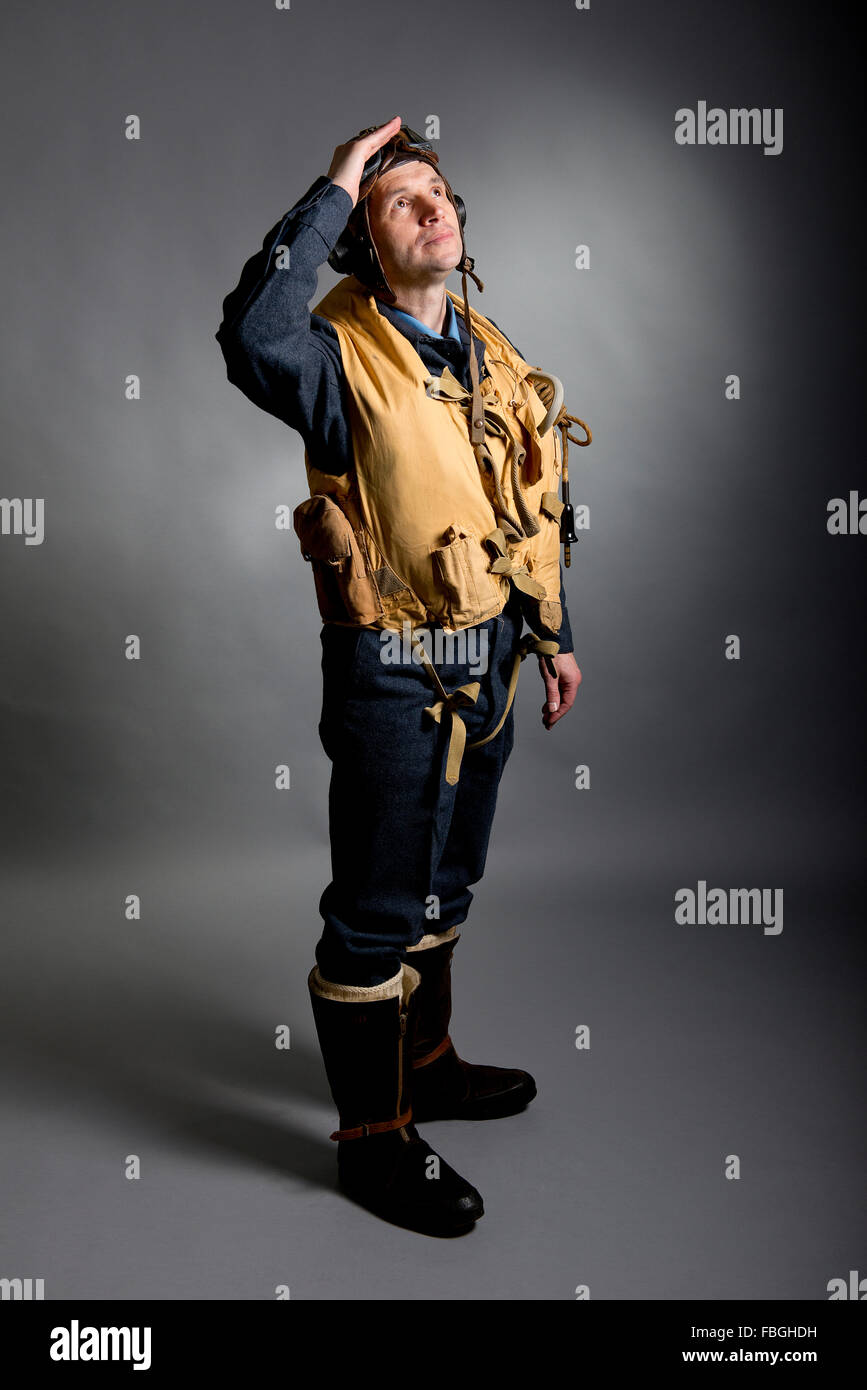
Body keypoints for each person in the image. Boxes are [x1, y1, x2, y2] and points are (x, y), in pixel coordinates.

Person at [216, 117, 586, 1237]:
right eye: (397, 201)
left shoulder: (491, 348)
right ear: (365, 241)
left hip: (497, 665)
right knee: (376, 910)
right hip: (394, 666)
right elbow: (246, 336)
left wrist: (556, 633)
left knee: (447, 883)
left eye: (439, 193)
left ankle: (425, 1069)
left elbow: (532, 507)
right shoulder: (332, 353)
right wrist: (332, 183)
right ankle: (372, 1142)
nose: (430, 208)